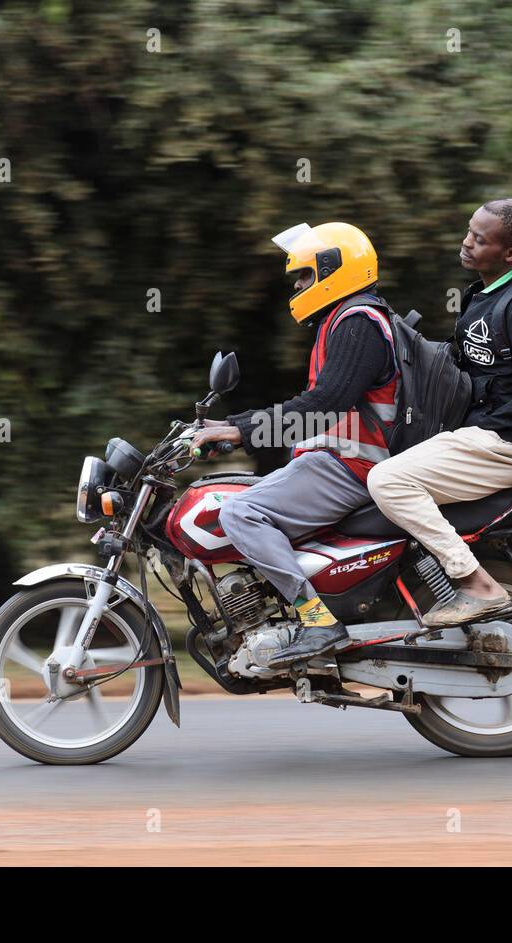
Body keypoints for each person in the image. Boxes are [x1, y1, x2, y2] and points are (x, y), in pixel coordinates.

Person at [366, 198, 512, 626]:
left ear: (511, 254)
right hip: (483, 433)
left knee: (388, 480)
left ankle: (475, 583)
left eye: (479, 240)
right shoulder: (487, 293)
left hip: (508, 443)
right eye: (469, 231)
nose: (466, 243)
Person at [192, 222, 400, 667]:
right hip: (337, 463)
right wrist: (236, 428)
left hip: (351, 467)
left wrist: (238, 429)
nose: (299, 287)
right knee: (238, 496)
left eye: (305, 276)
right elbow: (317, 411)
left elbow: (324, 404)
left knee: (239, 512)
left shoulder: (358, 323)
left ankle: (317, 621)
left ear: (334, 270)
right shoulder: (344, 322)